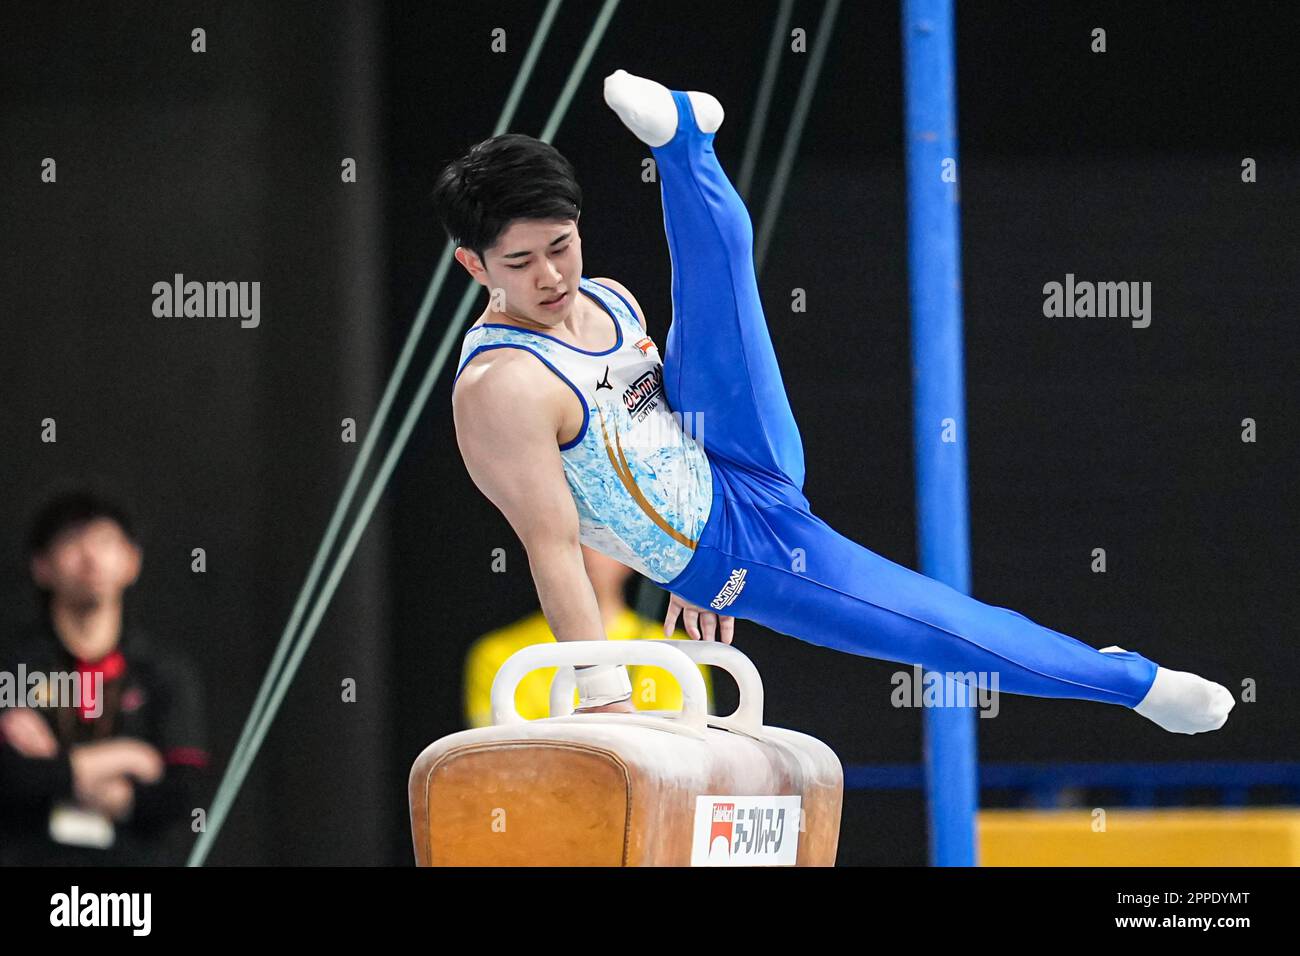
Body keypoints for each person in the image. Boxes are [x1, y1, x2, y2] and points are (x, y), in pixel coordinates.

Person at [434, 69, 1233, 733]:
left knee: (720, 296)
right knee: (939, 629)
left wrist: (670, 562)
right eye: (521, 262)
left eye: (561, 246)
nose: (551, 277)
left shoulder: (606, 299)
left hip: (731, 453)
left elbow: (654, 433)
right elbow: (553, 544)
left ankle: (683, 143)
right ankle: (1135, 684)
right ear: (475, 266)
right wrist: (607, 690)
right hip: (738, 549)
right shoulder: (503, 389)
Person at [0, 491, 209, 864]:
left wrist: (57, 764)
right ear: (42, 566)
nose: (91, 557)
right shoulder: (15, 668)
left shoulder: (161, 672)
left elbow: (180, 795)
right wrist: (122, 757)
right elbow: (13, 779)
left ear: (132, 561)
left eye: (105, 541)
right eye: (72, 542)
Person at [463, 545, 714, 727]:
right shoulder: (498, 653)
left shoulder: (673, 653)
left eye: (595, 537)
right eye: (570, 538)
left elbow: (679, 749)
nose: (583, 552)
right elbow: (503, 758)